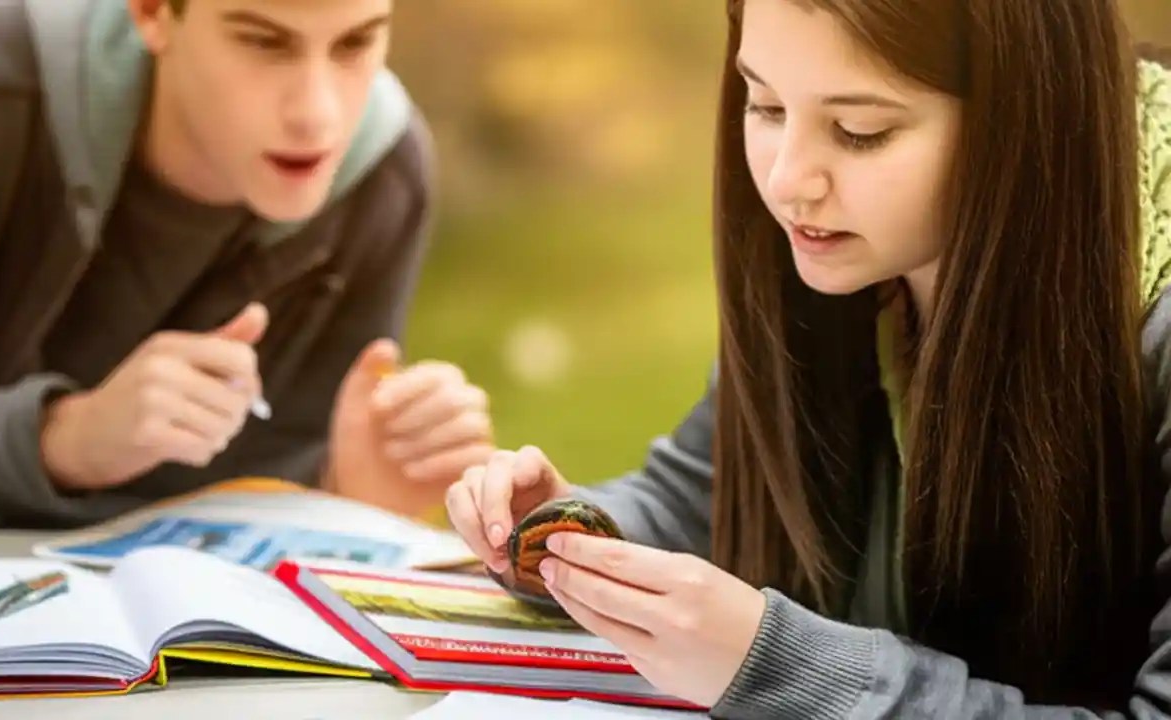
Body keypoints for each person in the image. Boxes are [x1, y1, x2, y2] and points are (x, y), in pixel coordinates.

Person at [447, 0, 1171, 716]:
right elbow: (705, 497)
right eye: (764, 106)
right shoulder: (846, 259)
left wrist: (787, 670)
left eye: (860, 131)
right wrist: (569, 535)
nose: (789, 180)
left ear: (1026, 113)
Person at [0, 0, 495, 528]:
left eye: (356, 42)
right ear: (153, 12)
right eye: (263, 41)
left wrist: (350, 501)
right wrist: (59, 441)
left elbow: (266, 530)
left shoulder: (384, 174)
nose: (318, 115)